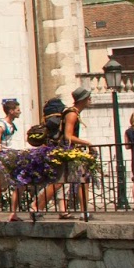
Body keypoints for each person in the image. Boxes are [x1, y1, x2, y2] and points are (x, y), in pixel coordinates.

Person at [36, 87, 93, 219]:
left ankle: (85, 212)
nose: (90, 100)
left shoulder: (73, 113)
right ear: (83, 99)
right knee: (59, 182)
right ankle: (36, 206)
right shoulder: (72, 114)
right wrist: (87, 143)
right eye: (88, 98)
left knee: (82, 179)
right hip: (66, 152)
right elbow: (68, 136)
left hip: (71, 152)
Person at [0, 99, 24, 221]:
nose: (20, 112)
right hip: (2, 159)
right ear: (11, 111)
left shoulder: (11, 125)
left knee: (20, 184)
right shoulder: (0, 125)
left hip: (11, 157)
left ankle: (13, 213)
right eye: (17, 110)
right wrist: (4, 159)